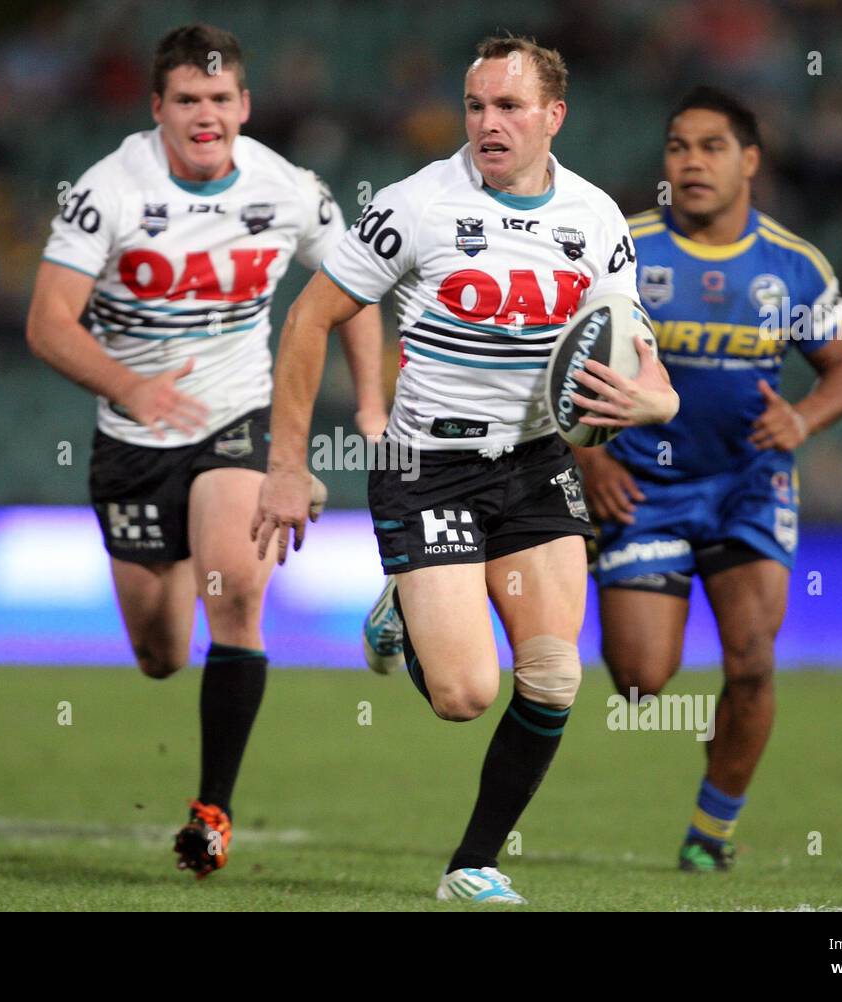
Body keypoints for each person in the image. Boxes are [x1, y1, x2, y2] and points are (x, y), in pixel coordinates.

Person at [253, 35, 677, 903]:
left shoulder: (598, 219)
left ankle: (472, 865)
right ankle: (408, 608)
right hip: (428, 467)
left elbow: (637, 356)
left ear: (553, 116)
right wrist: (287, 466)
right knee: (464, 695)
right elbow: (308, 320)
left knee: (554, 675)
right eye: (477, 105)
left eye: (510, 107)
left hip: (532, 466)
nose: (488, 122)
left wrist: (657, 405)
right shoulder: (416, 206)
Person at [27, 24, 387, 878]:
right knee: (160, 655)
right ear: (158, 108)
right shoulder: (109, 190)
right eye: (187, 99)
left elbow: (358, 291)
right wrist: (131, 387)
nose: (206, 115)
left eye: (221, 100)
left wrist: (372, 402)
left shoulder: (287, 187)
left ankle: (212, 812)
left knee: (235, 591)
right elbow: (47, 321)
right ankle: (190, 545)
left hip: (236, 416)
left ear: (245, 106)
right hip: (133, 440)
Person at [577, 87, 842, 872]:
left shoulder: (795, 265)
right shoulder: (623, 249)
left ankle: (711, 833)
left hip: (748, 483)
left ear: (750, 161)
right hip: (642, 486)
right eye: (678, 146)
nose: (692, 161)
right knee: (640, 681)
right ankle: (720, 729)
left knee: (753, 660)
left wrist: (803, 421)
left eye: (711, 146)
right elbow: (565, 361)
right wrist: (591, 455)